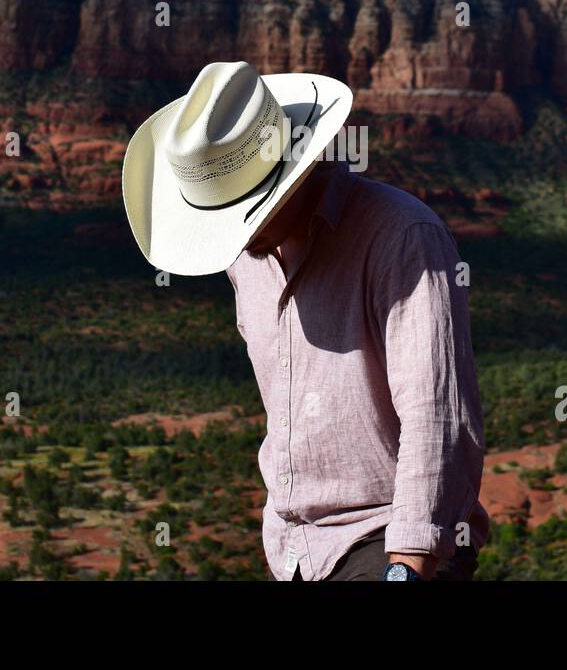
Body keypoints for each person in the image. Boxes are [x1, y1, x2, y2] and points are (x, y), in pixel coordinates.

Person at [122, 60, 487, 581]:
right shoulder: (244, 258)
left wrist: (407, 564)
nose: (240, 234)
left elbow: (439, 415)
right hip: (293, 550)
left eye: (246, 210)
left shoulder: (402, 237)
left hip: (388, 540)